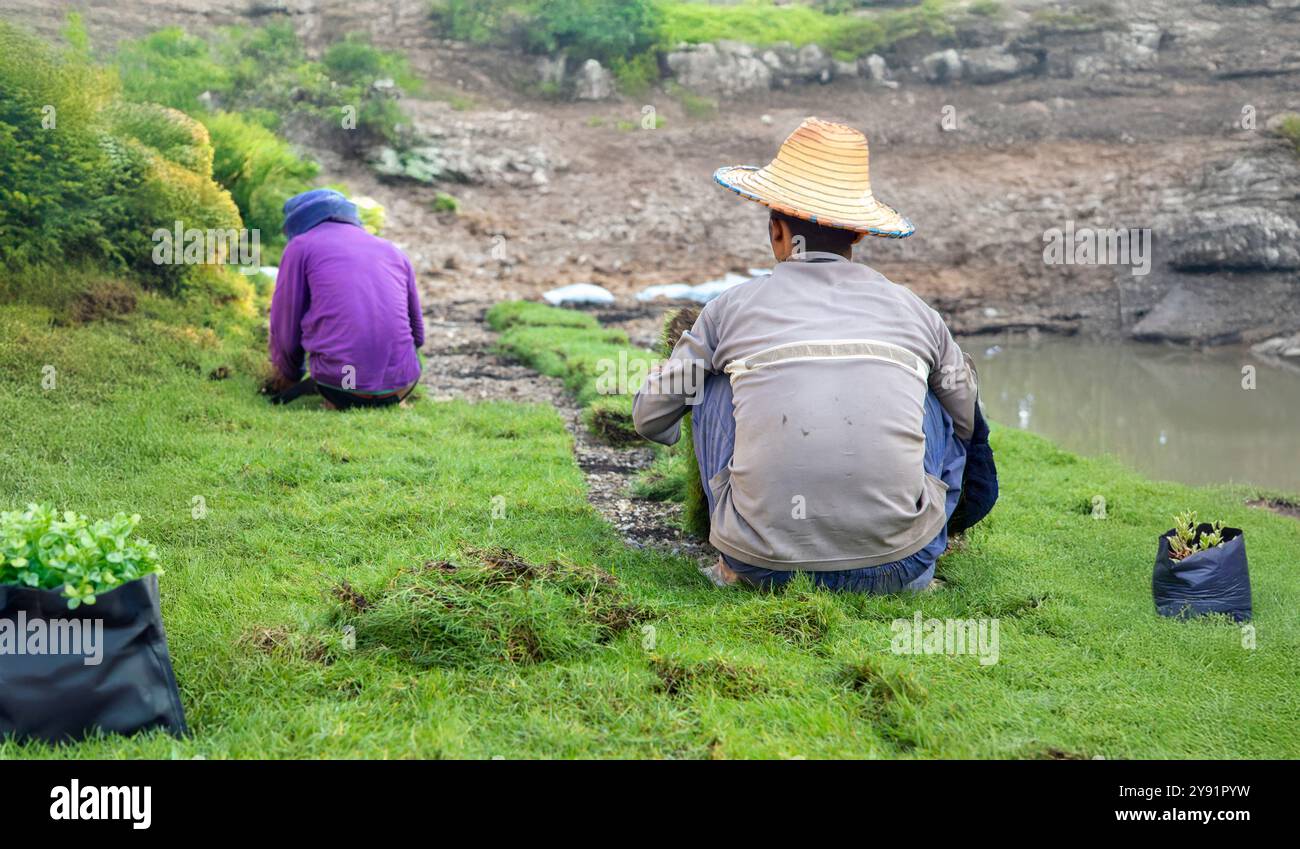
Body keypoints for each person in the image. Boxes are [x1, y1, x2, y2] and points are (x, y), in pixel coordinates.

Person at [633, 118, 997, 592]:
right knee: (944, 396)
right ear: (860, 235)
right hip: (899, 567)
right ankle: (909, 539)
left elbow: (648, 417)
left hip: (762, 565)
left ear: (777, 230)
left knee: (713, 381)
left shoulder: (730, 309)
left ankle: (733, 557)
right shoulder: (915, 311)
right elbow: (970, 429)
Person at [264, 189, 424, 410]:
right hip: (402, 385)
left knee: (349, 380)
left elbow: (286, 324)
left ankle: (352, 388)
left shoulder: (301, 246)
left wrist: (288, 374)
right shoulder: (391, 250)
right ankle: (373, 387)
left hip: (344, 387)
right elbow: (418, 331)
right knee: (362, 376)